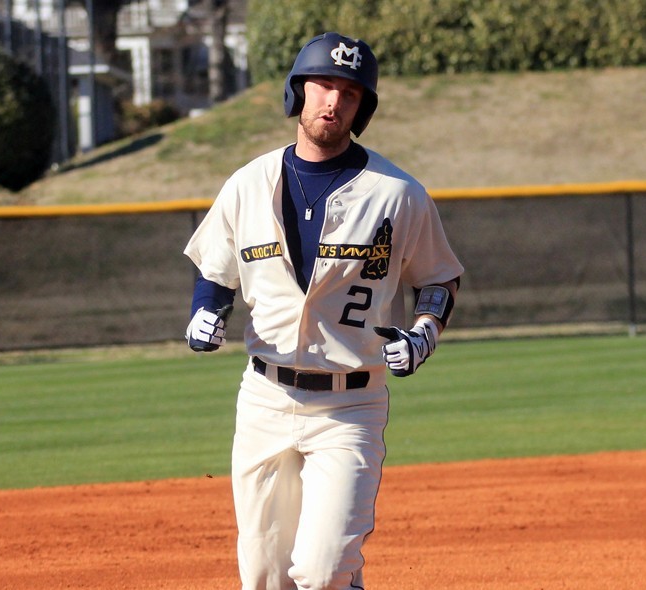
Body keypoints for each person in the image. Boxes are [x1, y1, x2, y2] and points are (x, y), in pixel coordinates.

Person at [183, 32, 464, 590]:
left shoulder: (396, 194)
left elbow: (439, 278)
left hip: (350, 405)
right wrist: (203, 312)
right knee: (264, 578)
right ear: (298, 91)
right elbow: (216, 272)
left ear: (362, 109)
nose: (333, 101)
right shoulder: (247, 184)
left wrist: (423, 334)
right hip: (265, 399)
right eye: (323, 85)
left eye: (350, 94)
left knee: (324, 572)